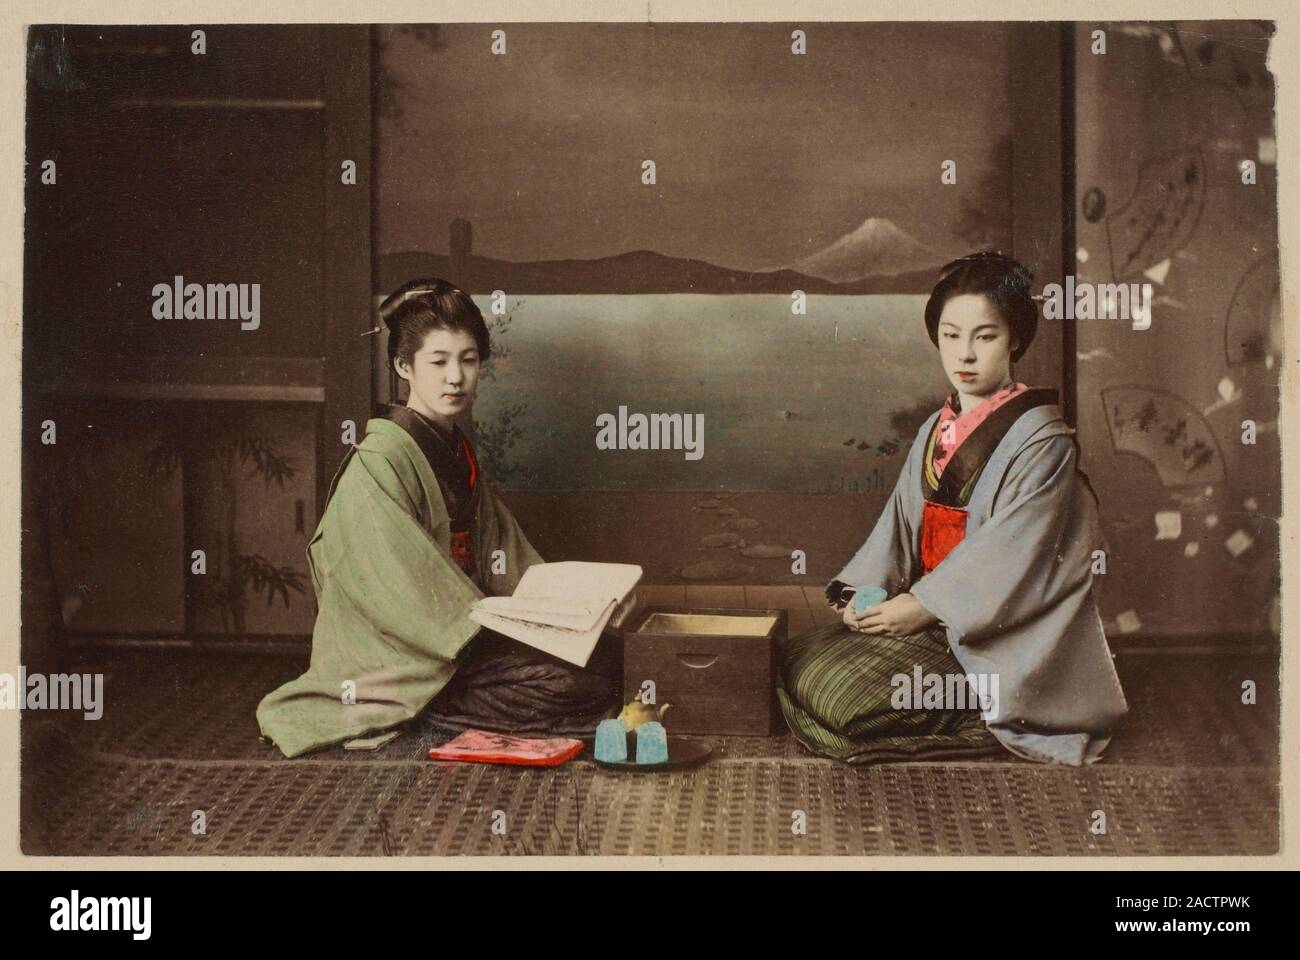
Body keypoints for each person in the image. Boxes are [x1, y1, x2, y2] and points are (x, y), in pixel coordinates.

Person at [777, 252, 1129, 766]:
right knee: (796, 661)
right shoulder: (936, 428)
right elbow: (898, 525)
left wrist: (923, 606)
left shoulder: (1043, 442)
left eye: (985, 337)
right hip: (936, 611)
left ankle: (988, 713)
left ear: (1015, 339)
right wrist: (862, 593)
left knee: (839, 694)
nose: (965, 354)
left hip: (995, 630)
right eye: (950, 335)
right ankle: (940, 705)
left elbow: (1011, 556)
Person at [256, 278, 619, 758]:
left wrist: (576, 612)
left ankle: (470, 700)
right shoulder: (379, 461)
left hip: (464, 631)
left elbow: (503, 554)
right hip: (409, 652)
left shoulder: (454, 451)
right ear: (404, 366)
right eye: (438, 361)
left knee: (610, 657)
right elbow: (397, 589)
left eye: (468, 361)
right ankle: (423, 708)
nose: (455, 377)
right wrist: (494, 636)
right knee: (572, 684)